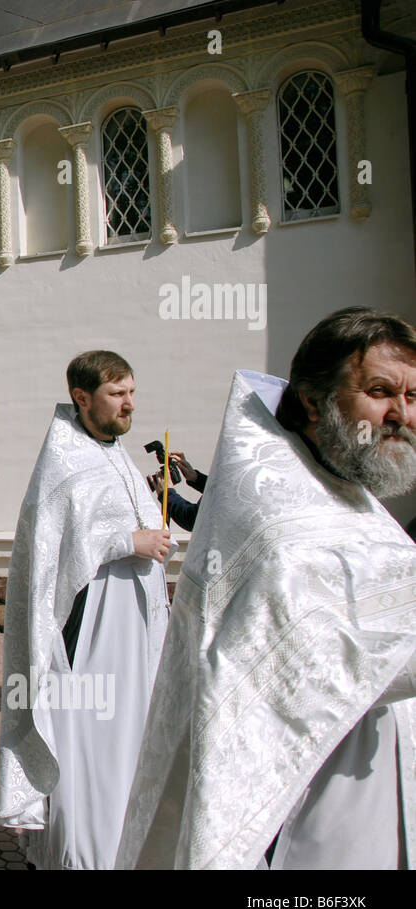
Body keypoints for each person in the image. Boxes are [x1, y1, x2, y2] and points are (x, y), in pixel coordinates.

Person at [119, 308, 416, 869]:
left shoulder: (350, 492)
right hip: (314, 794)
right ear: (313, 401)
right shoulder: (281, 522)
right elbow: (311, 669)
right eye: (380, 392)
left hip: (384, 770)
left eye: (413, 396)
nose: (401, 413)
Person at [0, 350, 172, 870]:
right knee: (92, 745)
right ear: (82, 397)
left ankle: (123, 847)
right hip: (90, 636)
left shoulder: (115, 454)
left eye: (132, 393)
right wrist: (126, 539)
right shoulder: (64, 463)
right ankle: (82, 856)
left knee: (131, 741)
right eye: (117, 394)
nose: (129, 405)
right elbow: (52, 558)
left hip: (136, 630)